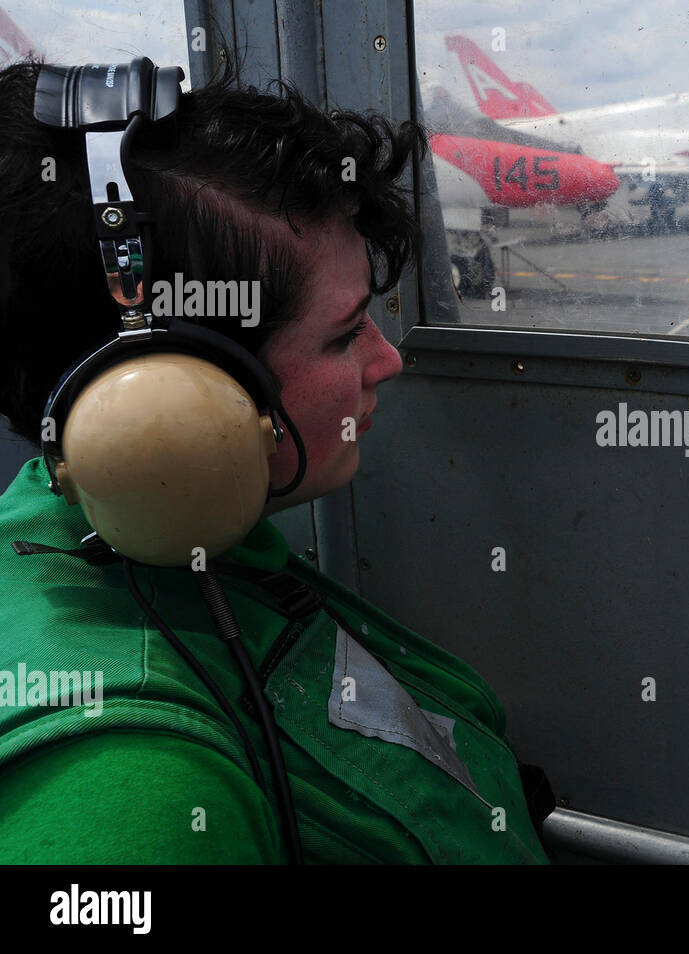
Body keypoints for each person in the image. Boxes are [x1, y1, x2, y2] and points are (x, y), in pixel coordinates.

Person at [0, 56, 551, 864]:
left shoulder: (144, 525)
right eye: (342, 333)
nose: (387, 360)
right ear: (173, 399)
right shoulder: (132, 793)